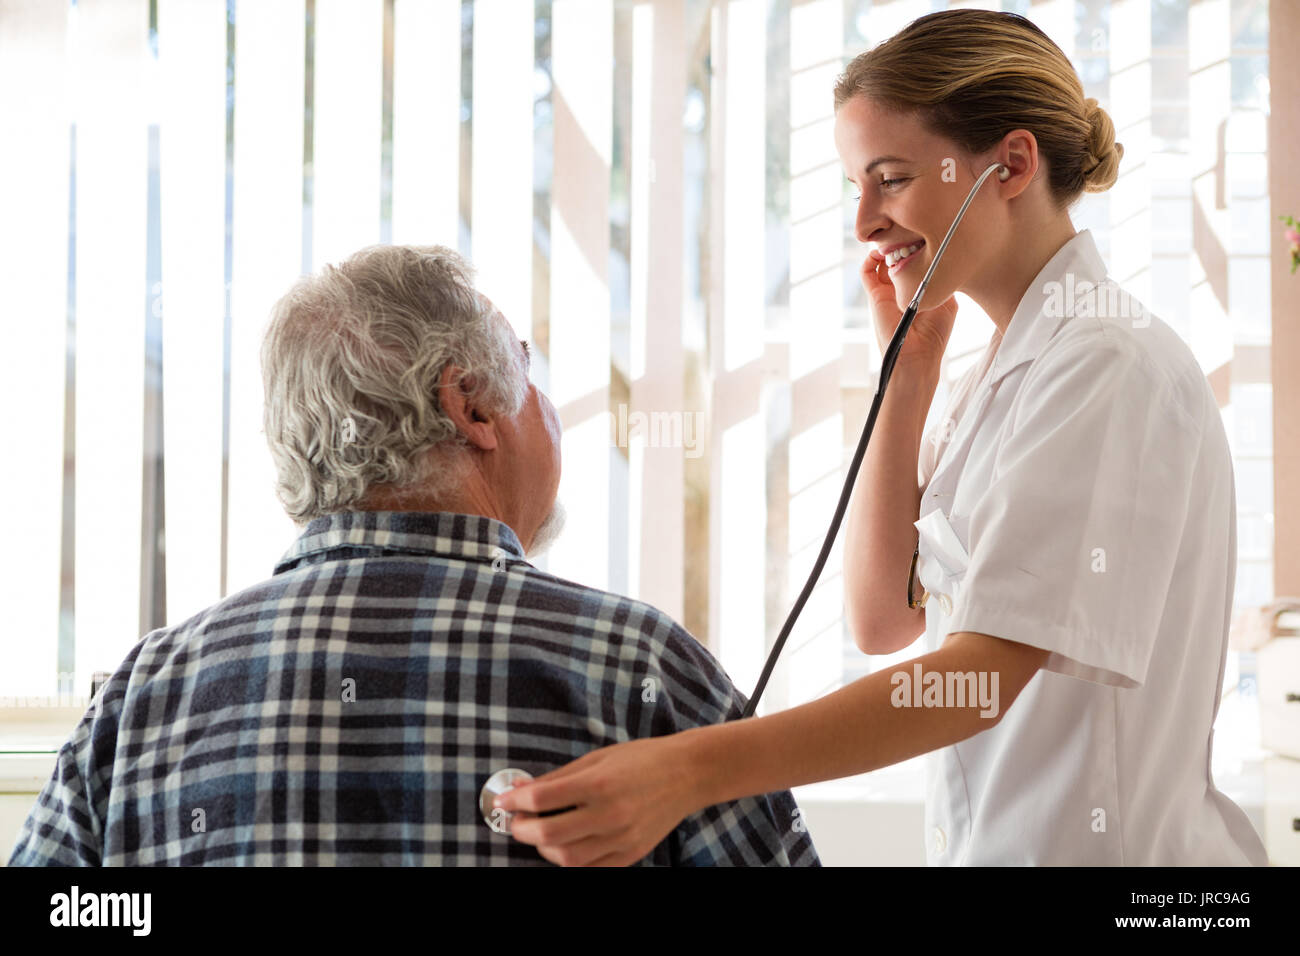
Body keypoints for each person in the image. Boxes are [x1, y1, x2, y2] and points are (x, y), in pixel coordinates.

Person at [491, 9, 1269, 866]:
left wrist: (685, 771)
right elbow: (883, 619)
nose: (864, 221)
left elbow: (977, 679)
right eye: (856, 186)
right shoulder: (1002, 377)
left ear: (1009, 165)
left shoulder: (1105, 366)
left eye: (890, 178)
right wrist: (907, 379)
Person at [7, 243, 818, 867]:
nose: (553, 410)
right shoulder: (639, 669)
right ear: (471, 406)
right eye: (530, 377)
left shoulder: (144, 698)